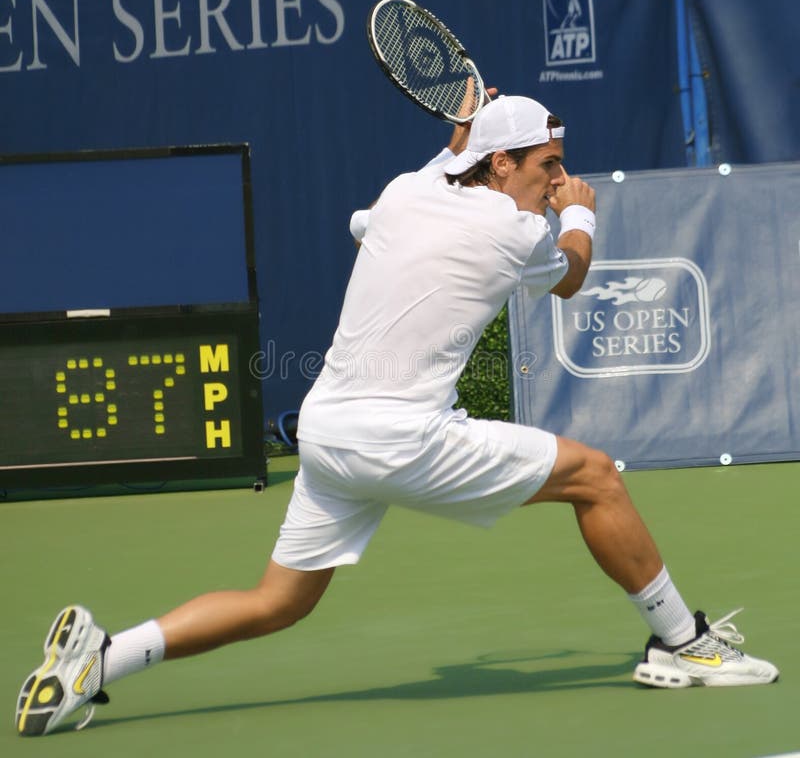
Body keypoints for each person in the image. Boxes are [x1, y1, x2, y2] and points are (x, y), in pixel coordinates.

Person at [15, 94, 778, 737]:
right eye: (548, 167)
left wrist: (464, 135)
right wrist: (582, 217)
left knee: (277, 602)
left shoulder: (405, 193)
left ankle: (99, 658)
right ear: (502, 163)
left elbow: (440, 169)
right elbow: (573, 277)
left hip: (327, 433)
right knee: (597, 476)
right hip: (401, 435)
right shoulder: (513, 232)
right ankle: (684, 644)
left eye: (561, 172)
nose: (559, 181)